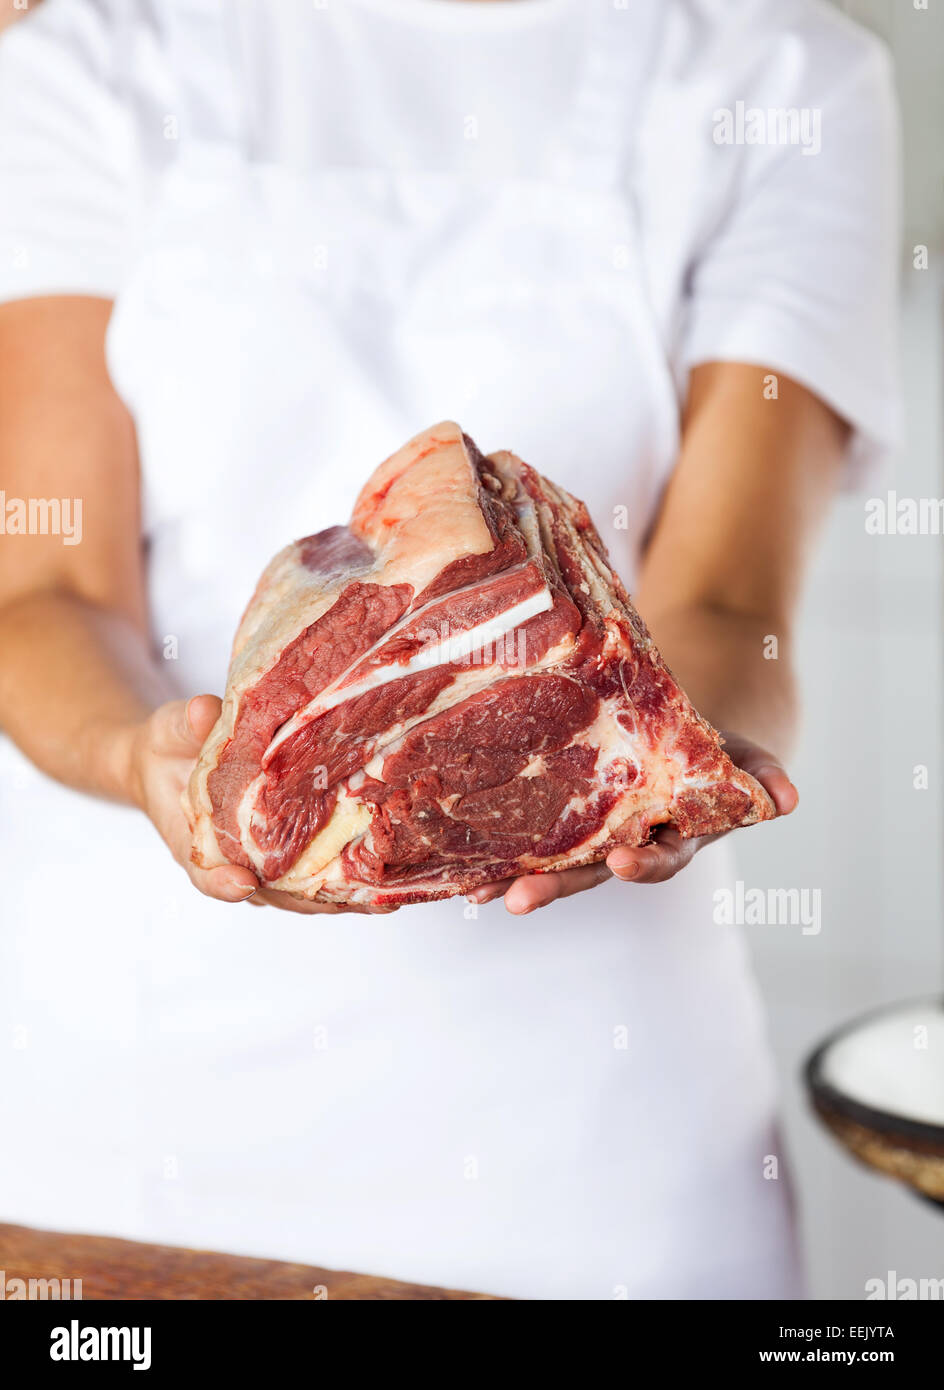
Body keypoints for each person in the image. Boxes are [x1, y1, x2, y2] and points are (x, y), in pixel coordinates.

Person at [0, 0, 898, 1299]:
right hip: (139, 1124)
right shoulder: (95, 48)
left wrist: (653, 765)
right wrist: (141, 753)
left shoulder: (787, 74)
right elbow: (43, 587)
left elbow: (726, 601)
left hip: (592, 1154)